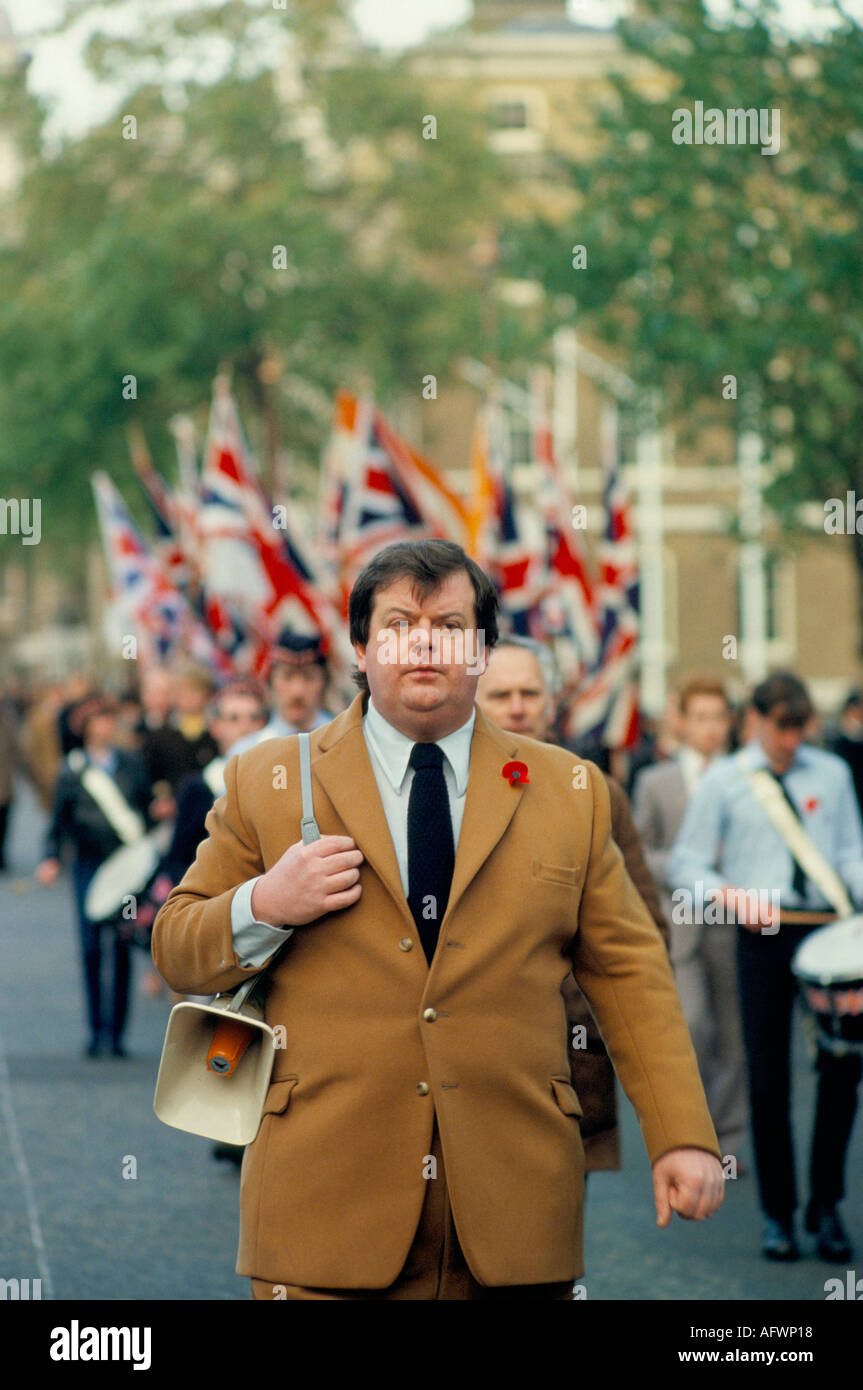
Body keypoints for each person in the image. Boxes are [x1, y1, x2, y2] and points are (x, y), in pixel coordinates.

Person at [153, 539, 722, 1301]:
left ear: (482, 650)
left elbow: (630, 972)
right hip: (323, 1210)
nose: (423, 643)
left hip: (514, 1212)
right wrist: (264, 904)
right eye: (397, 624)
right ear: (359, 646)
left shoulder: (570, 791)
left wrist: (680, 1135)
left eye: (450, 625)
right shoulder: (269, 778)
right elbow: (178, 948)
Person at [668, 672, 863, 1263]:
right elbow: (687, 864)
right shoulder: (728, 781)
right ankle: (778, 1215)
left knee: (841, 1069)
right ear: (754, 721)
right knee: (768, 1079)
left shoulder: (830, 773)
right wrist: (730, 897)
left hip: (829, 934)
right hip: (761, 938)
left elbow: (851, 851)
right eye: (780, 727)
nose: (791, 741)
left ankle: (825, 1205)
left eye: (799, 727)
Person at [476, 634, 669, 1173]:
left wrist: (577, 1009)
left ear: (552, 701)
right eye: (500, 694)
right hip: (464, 1058)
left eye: (529, 693)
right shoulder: (436, 788)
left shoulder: (595, 792)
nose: (517, 706)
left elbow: (646, 931)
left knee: (549, 1242)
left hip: (564, 1058)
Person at [633, 676, 746, 1167]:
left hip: (733, 920)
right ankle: (690, 1132)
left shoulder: (746, 780)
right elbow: (639, 849)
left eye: (718, 718)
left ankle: (731, 1141)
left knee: (734, 1035)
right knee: (692, 1027)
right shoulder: (656, 781)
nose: (709, 728)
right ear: (681, 722)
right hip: (681, 920)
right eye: (699, 717)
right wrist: (686, 865)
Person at [36, 694, 154, 1058]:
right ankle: (95, 1031)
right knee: (90, 947)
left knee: (121, 943)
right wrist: (52, 857)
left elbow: (146, 808)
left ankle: (116, 1035)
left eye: (108, 719)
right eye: (97, 721)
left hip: (128, 867)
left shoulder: (131, 763)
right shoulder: (72, 769)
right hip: (87, 864)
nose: (105, 726)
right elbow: (58, 819)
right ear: (85, 728)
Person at [228, 631, 332, 758]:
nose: (297, 692)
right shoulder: (247, 754)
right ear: (270, 682)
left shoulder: (346, 742)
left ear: (324, 682)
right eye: (287, 677)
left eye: (309, 677)